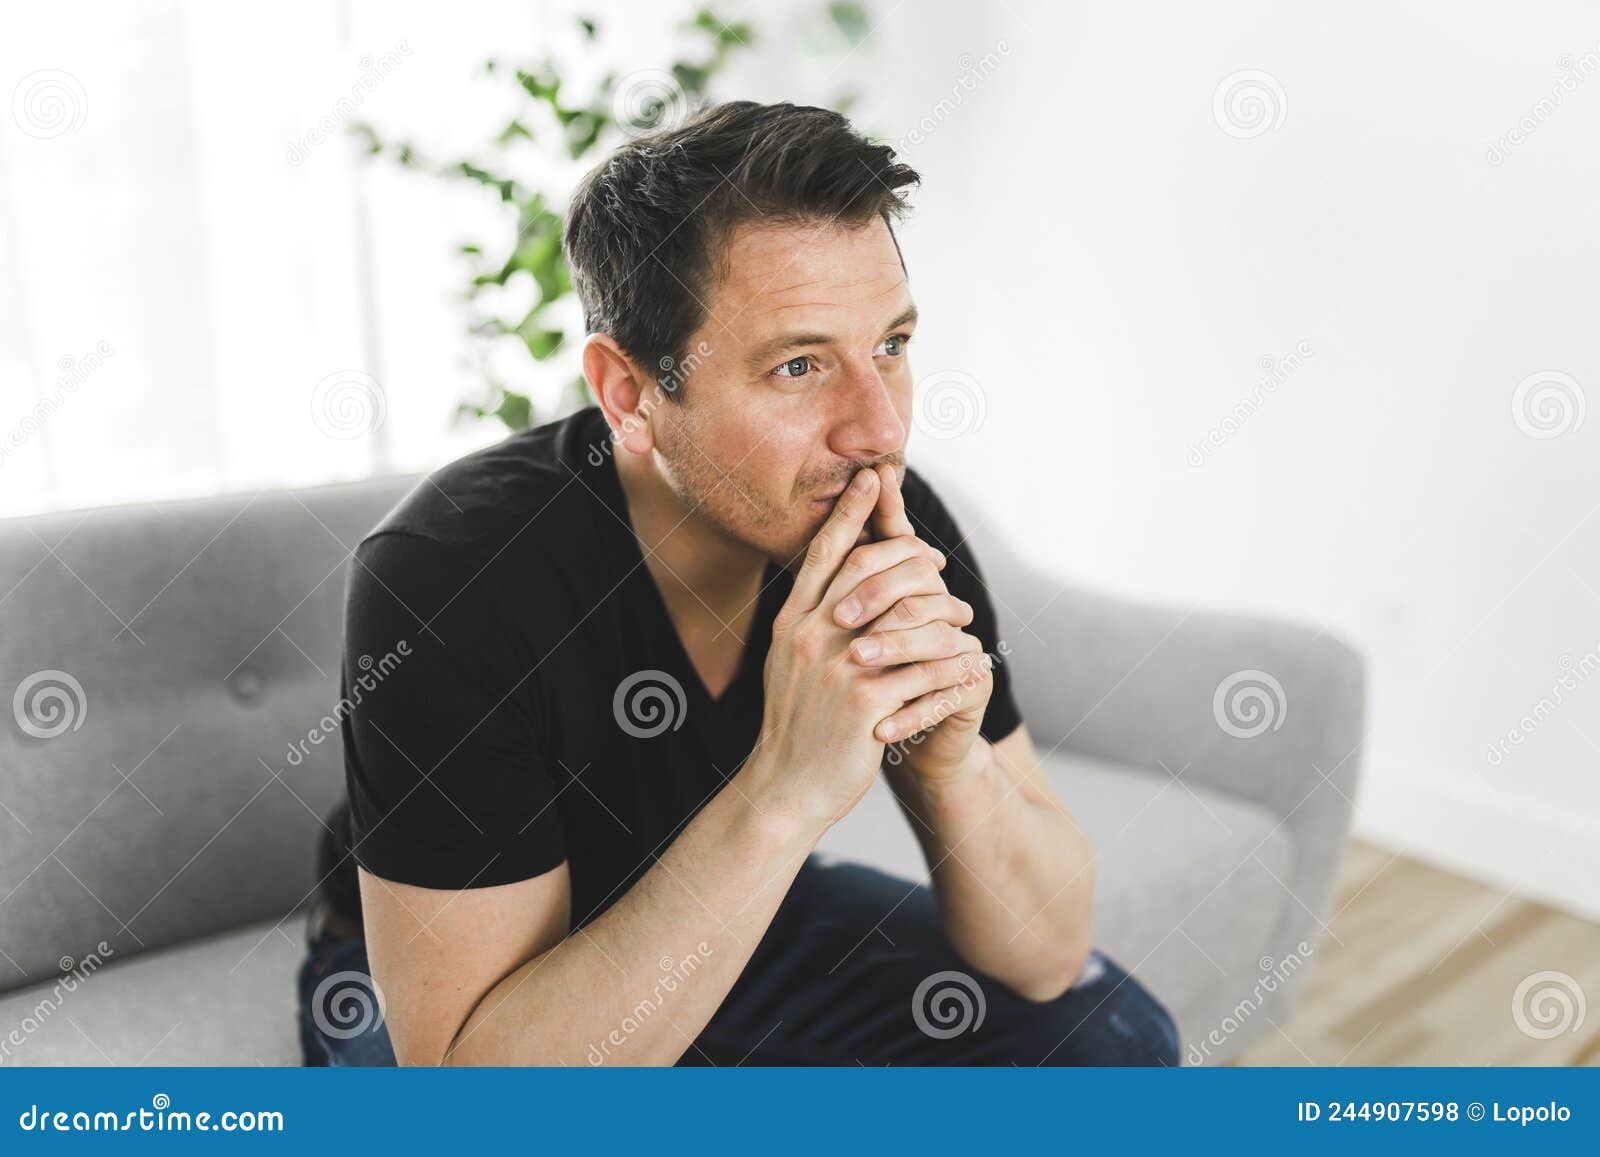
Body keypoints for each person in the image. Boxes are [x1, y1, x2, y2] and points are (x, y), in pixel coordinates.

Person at [299, 101, 1180, 1067]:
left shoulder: (883, 514)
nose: (878, 428)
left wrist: (950, 765)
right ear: (630, 394)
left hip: (733, 909)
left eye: (890, 345)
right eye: (799, 365)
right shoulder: (453, 573)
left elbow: (1048, 957)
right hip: (487, 1003)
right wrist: (785, 792)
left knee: (1113, 1045)